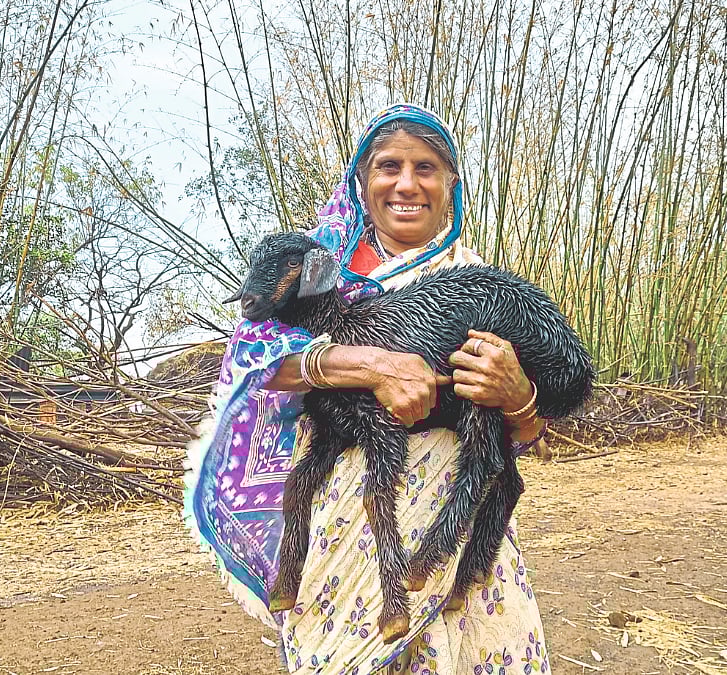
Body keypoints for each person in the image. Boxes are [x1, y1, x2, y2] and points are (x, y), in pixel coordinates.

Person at [185, 104, 552, 674]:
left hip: (460, 519)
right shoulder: (317, 268)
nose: (407, 184)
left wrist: (519, 394)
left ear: (451, 183)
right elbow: (255, 363)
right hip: (344, 507)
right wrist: (370, 363)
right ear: (362, 179)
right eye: (389, 166)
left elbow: (527, 436)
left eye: (426, 168)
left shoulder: (479, 284)